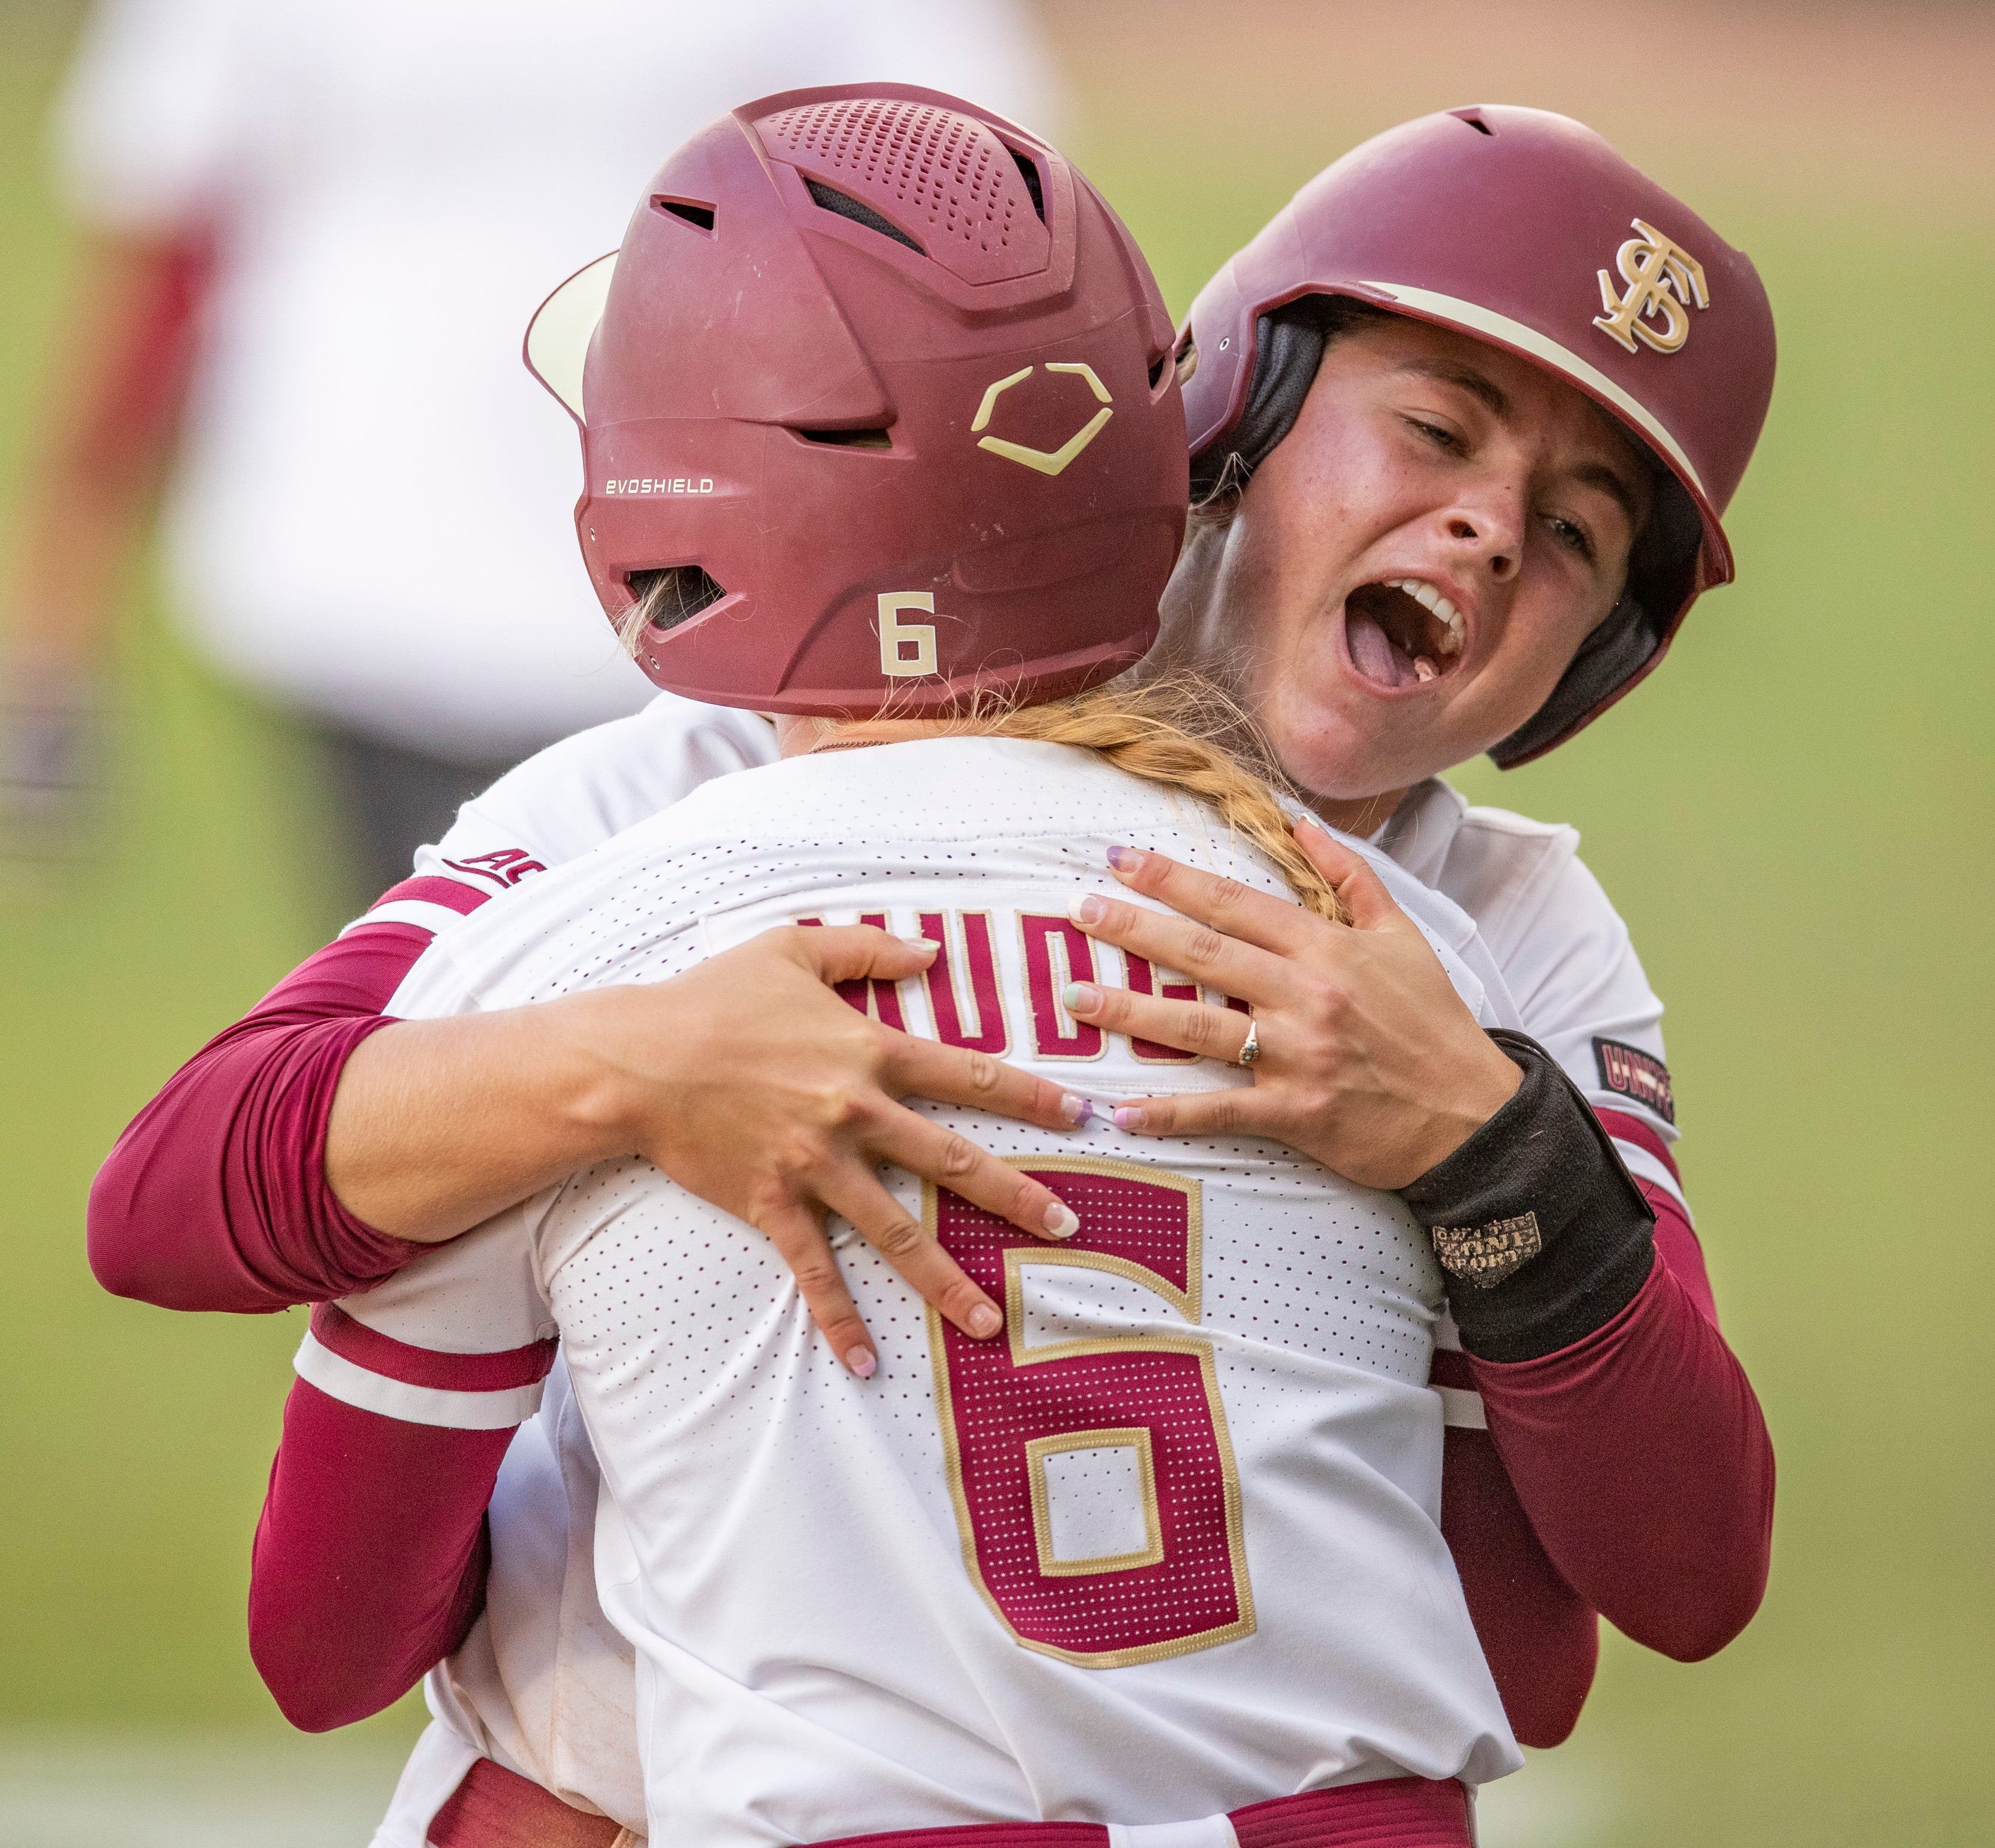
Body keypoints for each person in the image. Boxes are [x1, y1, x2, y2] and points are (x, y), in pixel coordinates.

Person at [89, 102, 1776, 1846]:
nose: (1492, 529)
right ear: (1228, 412)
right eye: (1434, 428)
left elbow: (1663, 1570)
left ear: (1601, 655)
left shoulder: (1498, 935)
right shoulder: (694, 778)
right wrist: (638, 1064)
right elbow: (175, 1189)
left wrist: (1487, 1152)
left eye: (1576, 535)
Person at [0, 0, 1056, 896]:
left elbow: (966, 192)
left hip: (734, 572)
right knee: (441, 1032)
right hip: (357, 574)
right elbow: (171, 240)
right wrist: (58, 592)